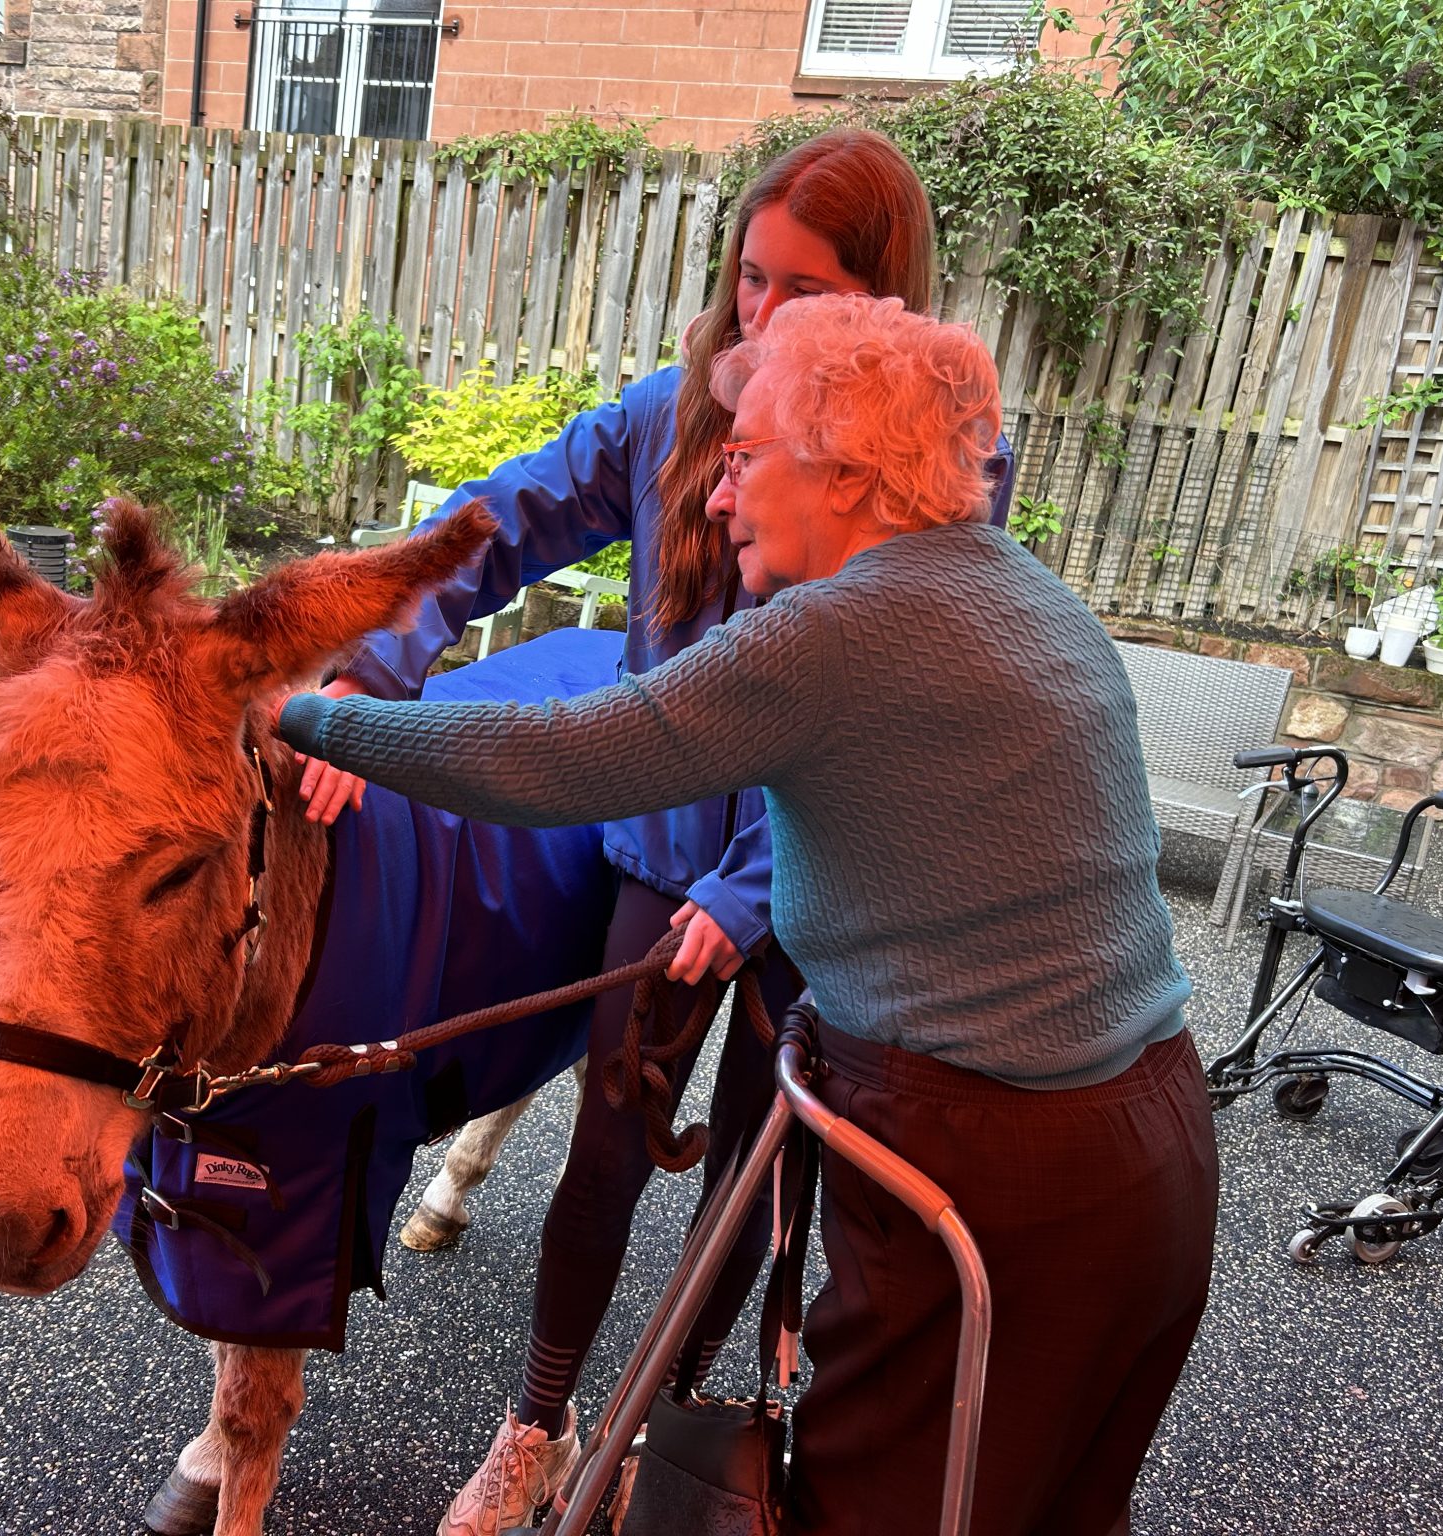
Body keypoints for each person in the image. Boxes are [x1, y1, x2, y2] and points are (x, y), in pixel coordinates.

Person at [278, 293, 1220, 1536]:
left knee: (882, 1507)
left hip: (992, 1164)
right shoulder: (1022, 593)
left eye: (738, 462)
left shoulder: (835, 633)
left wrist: (296, 714)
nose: (713, 504)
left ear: (840, 472)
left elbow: (562, 757)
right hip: (1150, 1141)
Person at [295, 126, 1016, 1536]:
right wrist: (364, 664)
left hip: (814, 877)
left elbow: (891, 699)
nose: (767, 315)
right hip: (659, 853)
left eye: (806, 291)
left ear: (884, 304)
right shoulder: (665, 414)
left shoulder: (938, 463)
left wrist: (754, 893)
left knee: (747, 1175)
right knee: (605, 1151)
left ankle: (663, 1426)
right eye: (753, 278)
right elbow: (485, 529)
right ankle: (541, 1426)